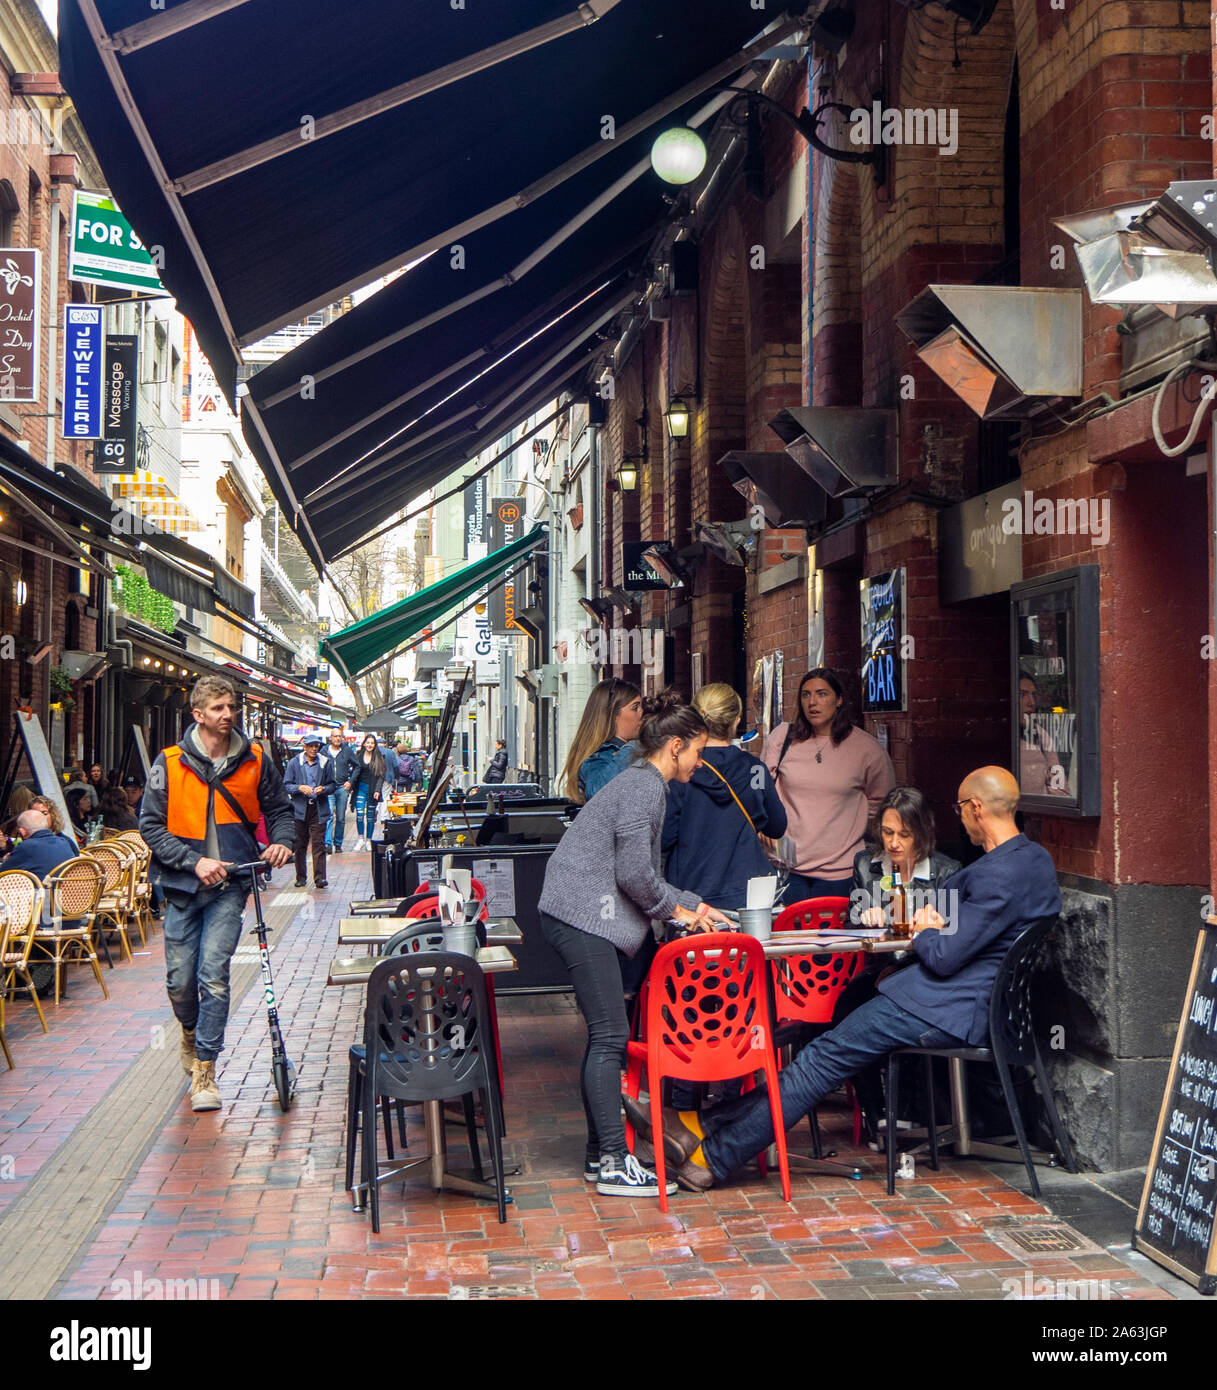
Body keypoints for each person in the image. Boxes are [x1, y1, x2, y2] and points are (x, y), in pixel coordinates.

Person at [624, 766, 1062, 1189]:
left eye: (960, 809)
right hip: (961, 1000)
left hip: (950, 1005)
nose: (960, 817)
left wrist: (927, 928)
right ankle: (696, 1126)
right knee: (823, 1054)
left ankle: (712, 1156)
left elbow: (945, 955)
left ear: (976, 808)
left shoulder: (999, 874)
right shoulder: (1034, 861)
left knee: (820, 1058)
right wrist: (930, 918)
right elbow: (947, 911)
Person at [538, 689, 732, 1197]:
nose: (699, 761)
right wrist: (679, 913)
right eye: (697, 751)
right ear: (675, 747)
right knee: (609, 1037)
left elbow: (646, 875)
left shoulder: (643, 782)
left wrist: (697, 906)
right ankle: (612, 1162)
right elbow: (633, 875)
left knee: (605, 1037)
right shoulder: (645, 786)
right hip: (581, 917)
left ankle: (597, 1158)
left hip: (576, 914)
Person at [139, 675, 294, 1113]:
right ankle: (188, 1031)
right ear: (198, 714)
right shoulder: (169, 762)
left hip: (231, 883)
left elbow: (279, 810)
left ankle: (205, 1069)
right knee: (180, 981)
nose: (228, 715)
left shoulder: (255, 759)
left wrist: (282, 841)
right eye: (219, 708)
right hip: (182, 885)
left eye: (231, 707)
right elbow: (149, 826)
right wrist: (193, 861)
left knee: (214, 976)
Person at [841, 786, 962, 1138]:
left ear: (922, 833)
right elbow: (851, 920)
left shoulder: (945, 872)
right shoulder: (867, 865)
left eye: (904, 835)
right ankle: (875, 1110)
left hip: (923, 975)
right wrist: (865, 915)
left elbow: (952, 937)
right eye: (888, 832)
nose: (893, 843)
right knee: (846, 1009)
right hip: (878, 970)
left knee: (900, 1010)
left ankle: (908, 1112)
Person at [764, 667, 895, 901]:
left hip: (841, 872)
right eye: (806, 695)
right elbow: (762, 793)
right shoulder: (783, 738)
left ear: (839, 699)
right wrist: (763, 828)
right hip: (786, 869)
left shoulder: (866, 748)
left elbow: (882, 804)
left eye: (822, 694)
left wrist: (847, 829)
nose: (812, 702)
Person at [662, 683, 787, 911]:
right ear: (736, 721)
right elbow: (777, 827)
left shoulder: (680, 771)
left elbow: (664, 838)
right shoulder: (755, 770)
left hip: (692, 899)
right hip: (748, 896)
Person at [560, 677, 644, 803]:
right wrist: (633, 749)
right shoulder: (598, 758)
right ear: (612, 714)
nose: (642, 713)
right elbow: (598, 793)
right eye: (635, 708)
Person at [284, 732, 336, 888]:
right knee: (300, 844)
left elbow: (333, 785)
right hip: (300, 808)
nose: (314, 749)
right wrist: (300, 788)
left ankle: (320, 877)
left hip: (318, 808)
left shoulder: (325, 762)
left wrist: (323, 789)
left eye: (316, 746)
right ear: (304, 747)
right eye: (311, 746)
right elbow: (286, 784)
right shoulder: (295, 763)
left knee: (318, 844)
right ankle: (300, 877)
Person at [1, 805, 76, 876]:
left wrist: (6, 861)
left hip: (42, 888)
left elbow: (3, 872)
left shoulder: (26, 847)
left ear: (22, 832)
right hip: (68, 887)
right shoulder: (64, 842)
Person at [348, 734, 385, 852]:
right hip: (360, 789)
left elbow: (381, 776)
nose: (370, 745)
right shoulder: (358, 756)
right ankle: (360, 839)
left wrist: (378, 790)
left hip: (372, 790)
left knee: (370, 817)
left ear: (375, 745)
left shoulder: (379, 758)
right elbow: (353, 772)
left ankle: (369, 840)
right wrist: (351, 786)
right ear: (364, 743)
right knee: (359, 815)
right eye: (368, 742)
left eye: (372, 743)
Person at [324, 731, 357, 853]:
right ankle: (327, 844)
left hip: (342, 788)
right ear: (330, 737)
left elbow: (356, 766)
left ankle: (338, 843)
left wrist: (351, 781)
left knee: (341, 817)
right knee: (328, 816)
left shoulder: (347, 750)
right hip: (328, 788)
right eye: (335, 736)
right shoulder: (323, 751)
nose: (338, 738)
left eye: (340, 736)